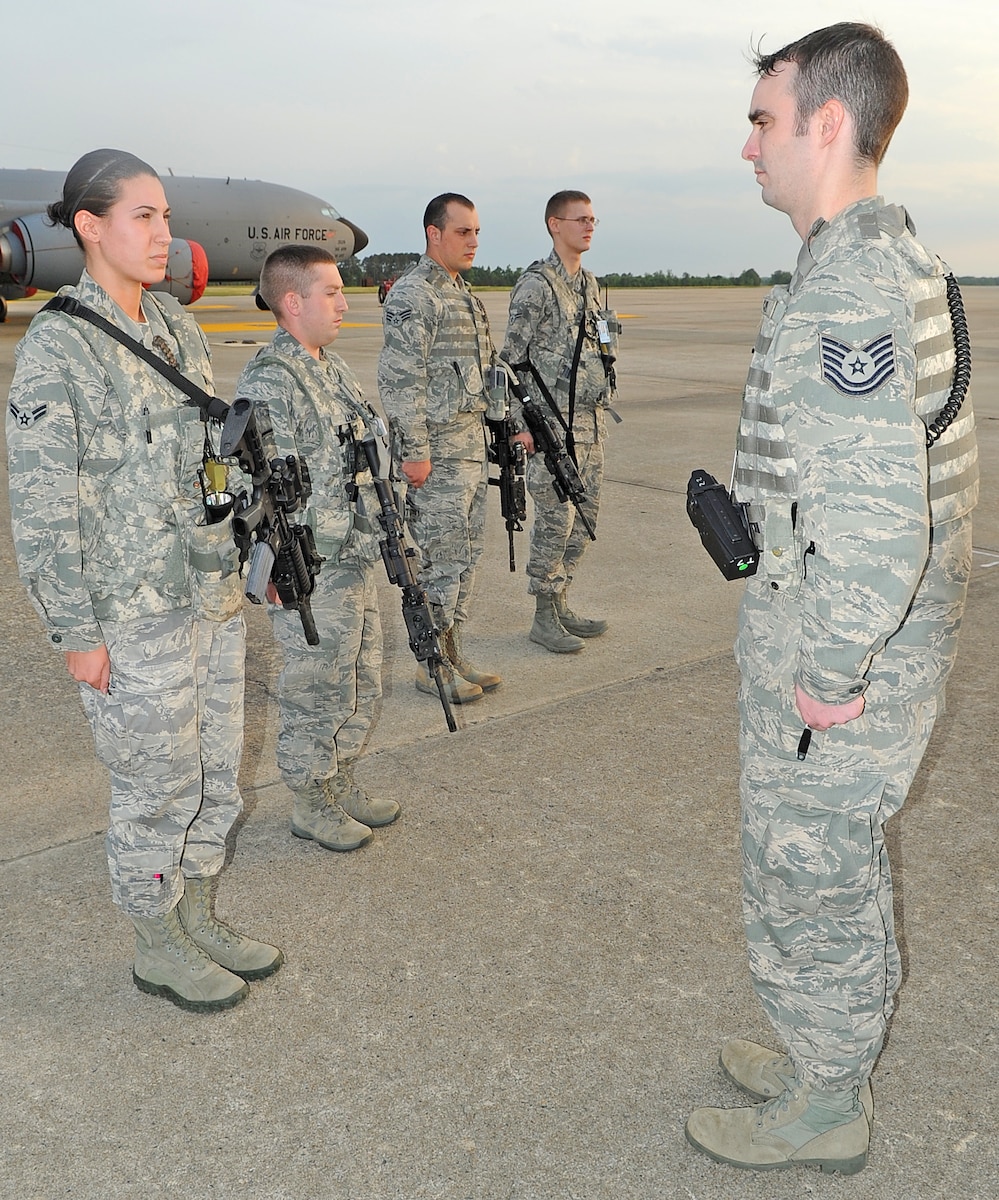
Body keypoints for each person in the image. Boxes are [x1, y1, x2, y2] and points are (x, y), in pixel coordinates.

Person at [684, 24, 979, 1175]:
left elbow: (872, 510)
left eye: (764, 118)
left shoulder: (850, 279)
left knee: (814, 869)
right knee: (817, 859)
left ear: (828, 124)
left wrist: (830, 674)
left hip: (846, 653)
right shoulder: (860, 259)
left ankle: (828, 1102)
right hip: (843, 634)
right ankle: (821, 1051)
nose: (748, 144)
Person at [6, 149, 283, 1012]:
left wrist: (251, 557)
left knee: (213, 775)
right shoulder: (58, 348)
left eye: (166, 216)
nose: (166, 234)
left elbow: (211, 460)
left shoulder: (176, 326)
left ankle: (196, 909)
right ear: (90, 226)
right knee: (155, 787)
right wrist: (75, 633)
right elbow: (41, 507)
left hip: (205, 597)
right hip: (128, 617)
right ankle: (154, 938)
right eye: (144, 217)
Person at [236, 246, 399, 852]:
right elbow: (259, 483)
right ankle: (309, 798)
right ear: (292, 302)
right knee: (316, 687)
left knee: (361, 679)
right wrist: (275, 563)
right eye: (330, 291)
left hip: (350, 555)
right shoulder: (271, 381)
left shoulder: (330, 368)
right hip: (311, 565)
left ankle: (340, 779)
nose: (344, 302)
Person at [377, 193, 503, 704]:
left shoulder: (465, 296)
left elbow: (488, 371)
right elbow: (401, 380)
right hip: (439, 457)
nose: (473, 241)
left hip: (470, 450)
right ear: (434, 234)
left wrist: (505, 427)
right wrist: (414, 451)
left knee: (465, 559)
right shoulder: (415, 295)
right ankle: (429, 665)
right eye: (462, 232)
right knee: (436, 561)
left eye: (476, 232)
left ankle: (451, 650)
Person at [501, 190, 619, 653]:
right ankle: (543, 615)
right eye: (579, 219)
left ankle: (561, 597)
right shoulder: (536, 286)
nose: (589, 227)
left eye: (593, 219)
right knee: (555, 519)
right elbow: (509, 362)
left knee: (585, 519)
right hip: (550, 431)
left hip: (590, 427)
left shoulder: (590, 284)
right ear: (554, 224)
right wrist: (518, 425)